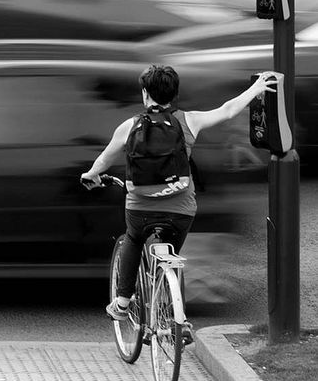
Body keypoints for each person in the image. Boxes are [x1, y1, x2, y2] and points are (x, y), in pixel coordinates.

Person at [80, 64, 277, 324]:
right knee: (172, 252)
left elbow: (103, 161)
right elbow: (228, 110)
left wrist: (90, 176)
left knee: (133, 238)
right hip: (180, 210)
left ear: (145, 94)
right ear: (174, 94)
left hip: (140, 209)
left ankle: (123, 302)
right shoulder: (189, 121)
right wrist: (257, 87)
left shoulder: (129, 126)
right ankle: (174, 310)